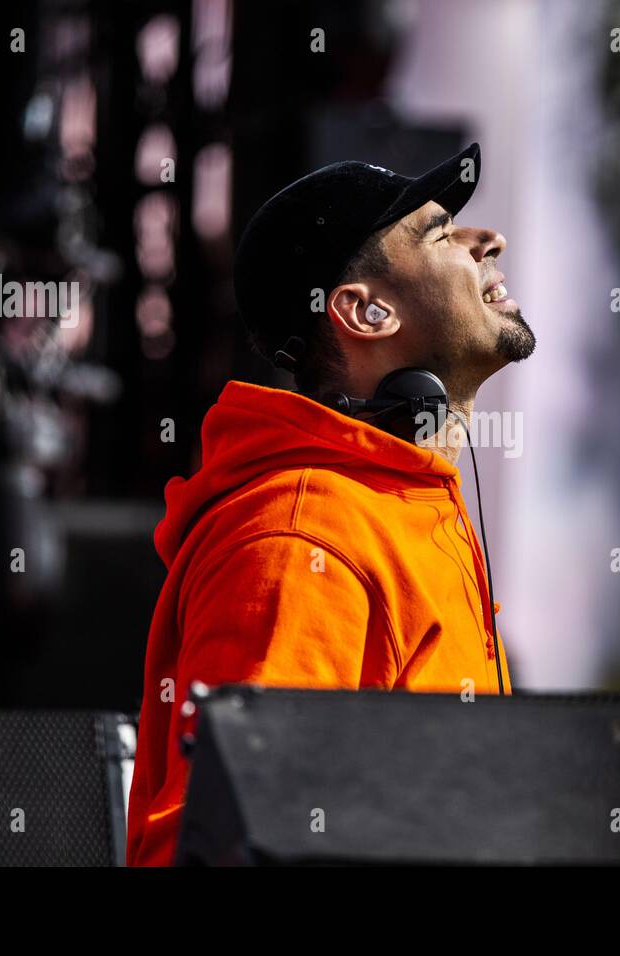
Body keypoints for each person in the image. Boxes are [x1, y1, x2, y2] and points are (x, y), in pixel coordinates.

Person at [126, 142, 537, 865]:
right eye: (441, 233)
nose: (488, 241)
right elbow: (221, 845)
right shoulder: (301, 542)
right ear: (367, 312)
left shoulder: (393, 513)